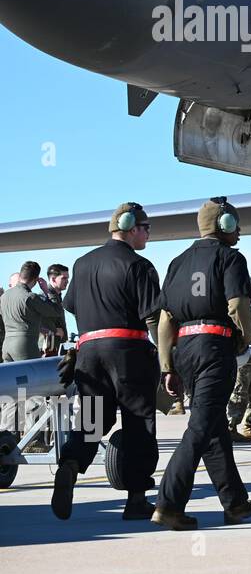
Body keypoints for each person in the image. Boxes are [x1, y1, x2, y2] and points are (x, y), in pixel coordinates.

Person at [51, 203, 162, 521]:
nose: (148, 234)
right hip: (129, 352)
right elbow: (152, 316)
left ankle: (71, 465)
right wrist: (167, 356)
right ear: (132, 228)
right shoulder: (140, 266)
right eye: (147, 228)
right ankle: (137, 499)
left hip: (87, 352)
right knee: (138, 423)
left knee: (91, 419)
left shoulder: (82, 264)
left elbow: (72, 305)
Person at [152, 198, 251, 530]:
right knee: (199, 429)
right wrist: (245, 337)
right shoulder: (232, 258)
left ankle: (235, 504)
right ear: (223, 225)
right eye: (234, 223)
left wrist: (167, 365)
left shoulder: (177, 262)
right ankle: (168, 504)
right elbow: (238, 305)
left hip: (185, 350)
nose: (239, 230)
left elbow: (165, 320)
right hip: (215, 348)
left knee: (211, 426)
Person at [2, 261, 66, 361]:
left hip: (6, 345)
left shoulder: (4, 296)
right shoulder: (30, 297)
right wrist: (47, 291)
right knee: (36, 375)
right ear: (36, 279)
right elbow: (56, 311)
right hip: (25, 346)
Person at [227, 311, 251, 442]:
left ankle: (249, 427)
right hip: (241, 358)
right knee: (239, 394)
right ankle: (231, 427)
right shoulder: (234, 311)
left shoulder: (250, 311)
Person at [38, 263, 70, 356]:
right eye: (64, 278)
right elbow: (36, 322)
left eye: (67, 278)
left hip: (57, 347)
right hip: (47, 349)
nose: (67, 281)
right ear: (53, 279)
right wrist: (54, 331)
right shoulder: (43, 297)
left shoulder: (57, 297)